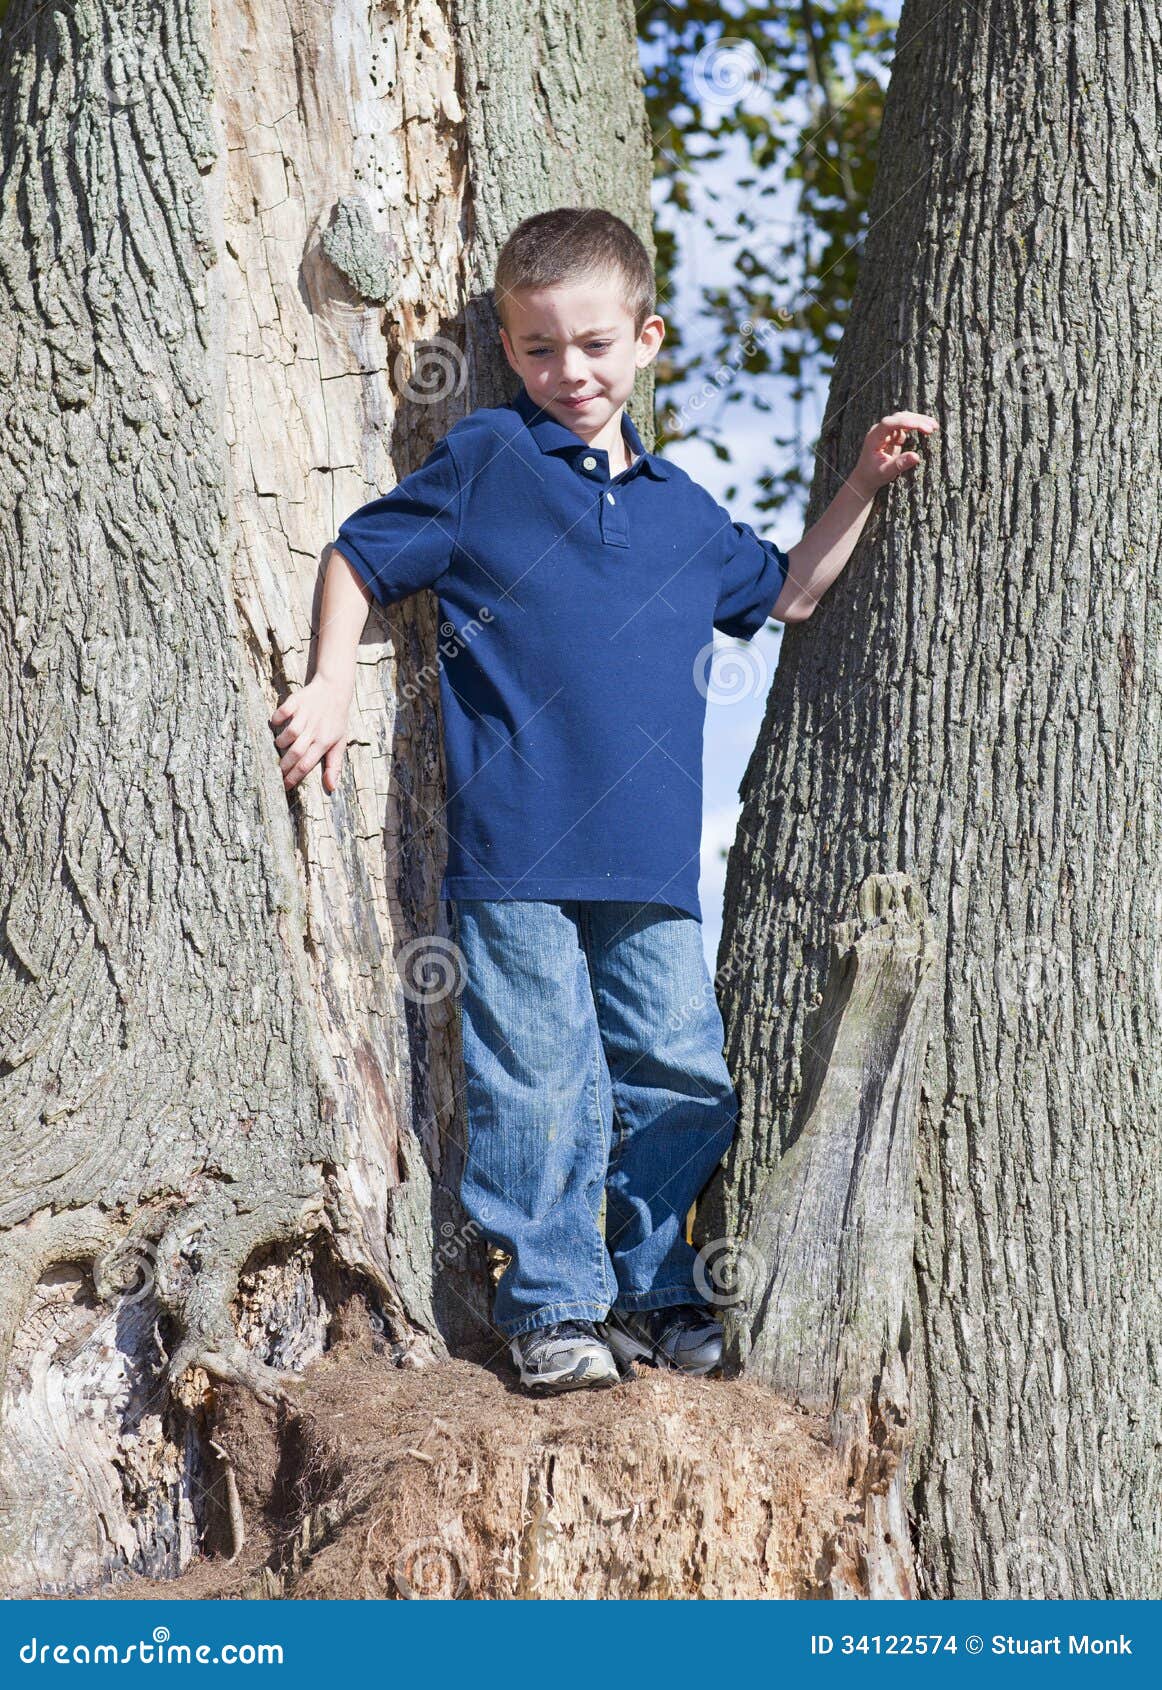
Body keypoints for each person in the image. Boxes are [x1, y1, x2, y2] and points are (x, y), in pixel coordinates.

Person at [270, 207, 937, 1395]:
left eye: (592, 345)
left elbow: (787, 594)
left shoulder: (683, 509)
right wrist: (325, 682)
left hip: (651, 859)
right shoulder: (488, 462)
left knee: (681, 1077)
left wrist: (860, 485)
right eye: (537, 349)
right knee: (537, 1080)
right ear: (508, 352)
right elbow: (359, 556)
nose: (568, 371)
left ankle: (656, 1286)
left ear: (645, 340)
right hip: (516, 846)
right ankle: (550, 1305)